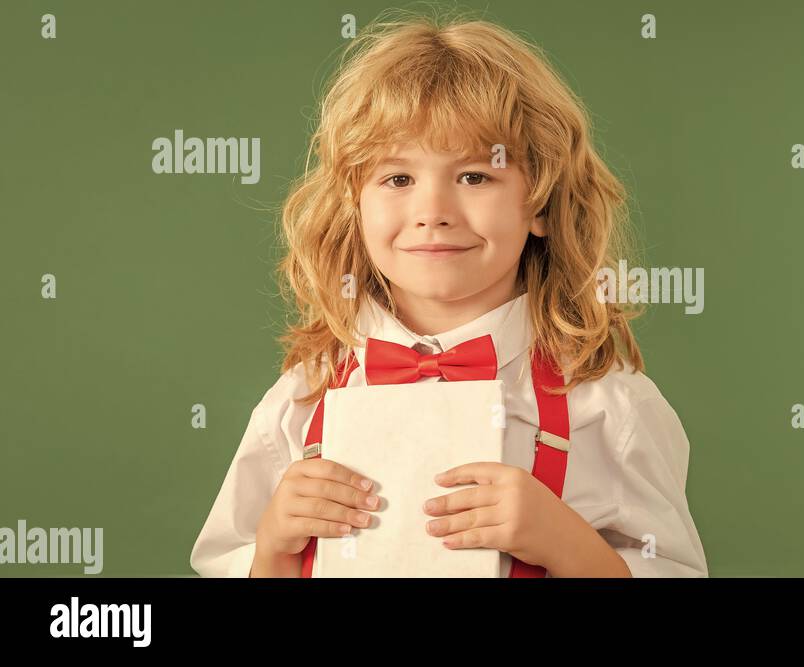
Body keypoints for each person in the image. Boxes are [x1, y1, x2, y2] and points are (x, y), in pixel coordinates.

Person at [189, 10, 707, 578]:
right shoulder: (299, 401)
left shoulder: (611, 408)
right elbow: (227, 562)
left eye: (474, 177)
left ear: (539, 202)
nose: (432, 213)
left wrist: (565, 543)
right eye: (398, 179)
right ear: (353, 205)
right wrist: (272, 551)